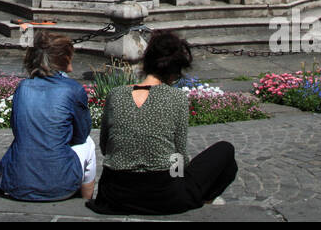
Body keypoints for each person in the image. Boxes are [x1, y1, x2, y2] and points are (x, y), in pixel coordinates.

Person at [87, 31, 237, 216]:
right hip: (163, 195)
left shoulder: (116, 94)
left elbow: (105, 147)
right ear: (175, 70)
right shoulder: (176, 97)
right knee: (225, 150)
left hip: (115, 193)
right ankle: (202, 198)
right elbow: (179, 155)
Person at [0, 33, 96, 202]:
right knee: (88, 143)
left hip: (18, 182)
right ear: (64, 58)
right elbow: (81, 134)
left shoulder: (23, 87)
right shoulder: (73, 89)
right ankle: (86, 200)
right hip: (59, 183)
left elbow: (19, 129)